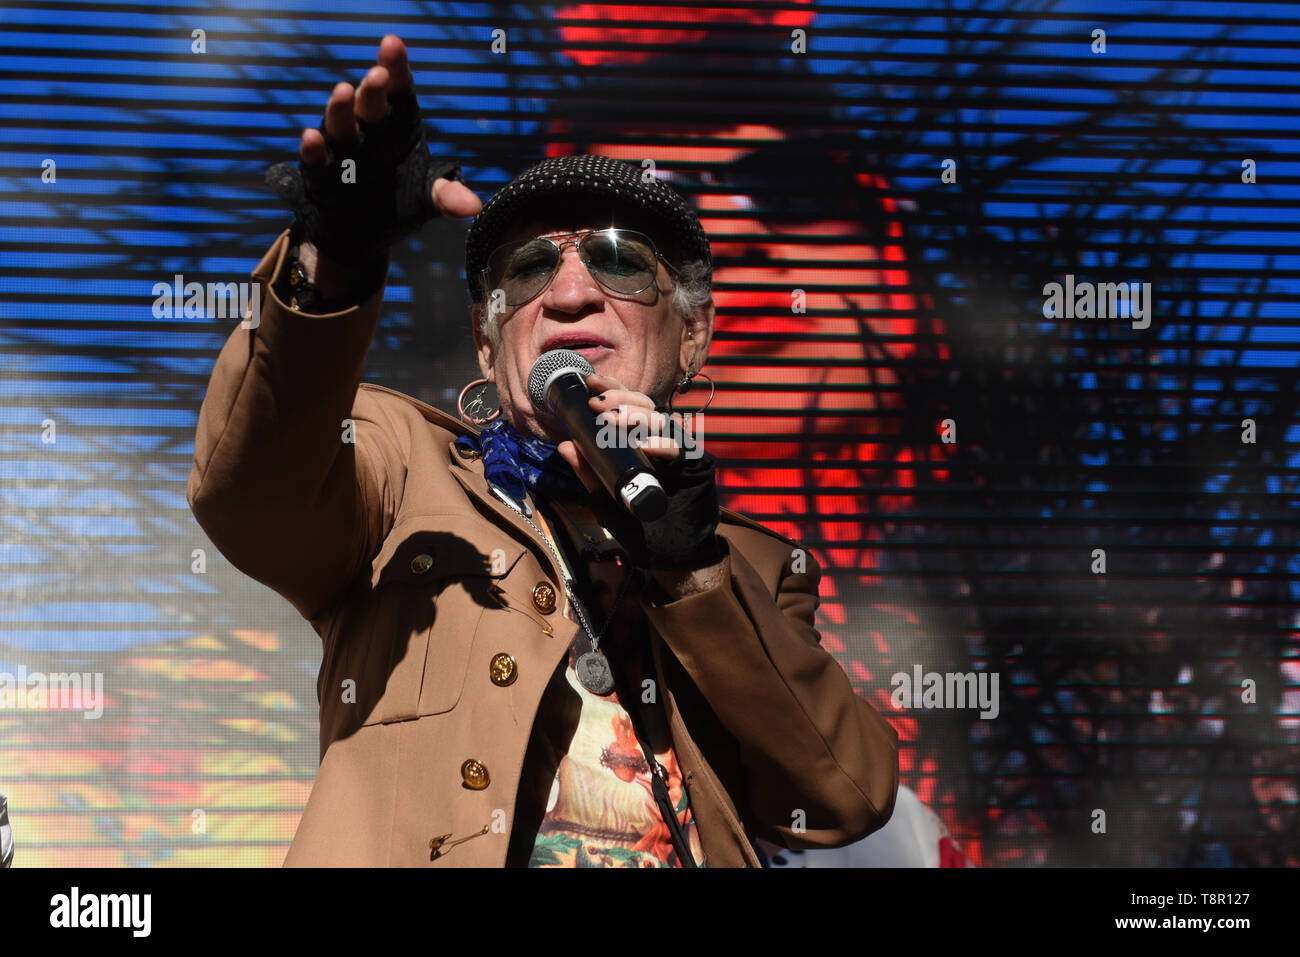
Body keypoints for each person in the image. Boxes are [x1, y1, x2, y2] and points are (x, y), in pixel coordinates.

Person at [186, 34, 899, 867]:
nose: (567, 292)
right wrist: (334, 262)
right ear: (490, 348)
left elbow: (842, 794)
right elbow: (249, 492)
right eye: (526, 271)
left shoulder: (750, 564)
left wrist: (692, 572)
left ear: (692, 337)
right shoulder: (400, 468)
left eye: (621, 261)